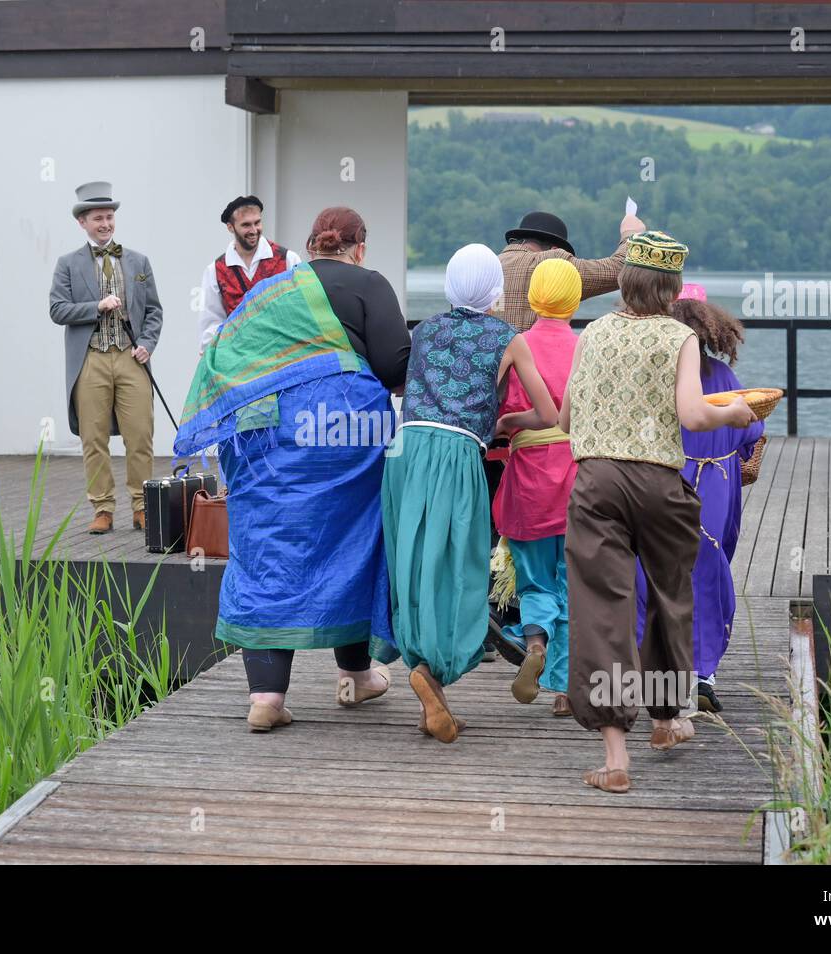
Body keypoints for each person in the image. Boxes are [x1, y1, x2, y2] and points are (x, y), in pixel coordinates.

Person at [173, 207, 412, 732]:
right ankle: (356, 677)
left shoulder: (270, 291)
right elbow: (396, 367)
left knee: (267, 544)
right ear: (359, 247)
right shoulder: (370, 285)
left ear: (310, 247)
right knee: (353, 539)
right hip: (345, 434)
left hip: (266, 437)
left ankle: (266, 698)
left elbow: (224, 355)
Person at [558, 232, 756, 793]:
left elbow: (569, 420)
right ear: (671, 291)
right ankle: (668, 720)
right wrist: (736, 414)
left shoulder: (592, 333)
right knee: (672, 596)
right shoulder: (679, 337)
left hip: (596, 482)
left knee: (604, 609)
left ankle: (616, 757)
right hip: (660, 484)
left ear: (624, 282)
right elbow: (694, 416)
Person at [379, 244, 557, 744]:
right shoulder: (509, 338)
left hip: (405, 449)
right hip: (457, 454)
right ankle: (435, 669)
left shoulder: (425, 329)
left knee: (413, 561)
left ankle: (421, 670)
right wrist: (504, 421)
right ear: (495, 290)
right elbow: (547, 413)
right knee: (458, 563)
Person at [635, 285, 766, 713]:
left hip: (667, 481)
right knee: (709, 570)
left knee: (652, 572)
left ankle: (656, 668)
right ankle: (704, 673)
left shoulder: (657, 378)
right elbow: (753, 433)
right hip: (718, 485)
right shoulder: (724, 379)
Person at [490, 260, 583, 716]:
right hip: (576, 475)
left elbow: (494, 407)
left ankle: (534, 644)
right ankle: (565, 688)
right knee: (573, 580)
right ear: (576, 300)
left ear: (531, 298)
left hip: (528, 473)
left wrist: (507, 424)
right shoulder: (586, 346)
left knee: (533, 579)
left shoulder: (517, 344)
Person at [49, 181, 163, 534]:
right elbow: (57, 309)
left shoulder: (138, 261)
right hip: (91, 359)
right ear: (82, 222)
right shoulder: (68, 264)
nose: (105, 224)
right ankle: (102, 508)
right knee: (93, 437)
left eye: (109, 217)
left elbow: (155, 311)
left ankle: (143, 506)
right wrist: (95, 307)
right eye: (98, 218)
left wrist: (147, 343)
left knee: (141, 435)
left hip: (131, 359)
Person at [494, 210, 646, 333]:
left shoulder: (492, 265)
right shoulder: (554, 263)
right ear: (555, 248)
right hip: (539, 367)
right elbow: (618, 269)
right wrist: (631, 234)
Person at [197, 195, 302, 353]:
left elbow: (300, 311)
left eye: (257, 223)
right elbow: (211, 322)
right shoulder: (215, 270)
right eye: (246, 225)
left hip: (280, 355)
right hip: (237, 359)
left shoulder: (288, 260)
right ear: (230, 227)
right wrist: (211, 352)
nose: (254, 230)